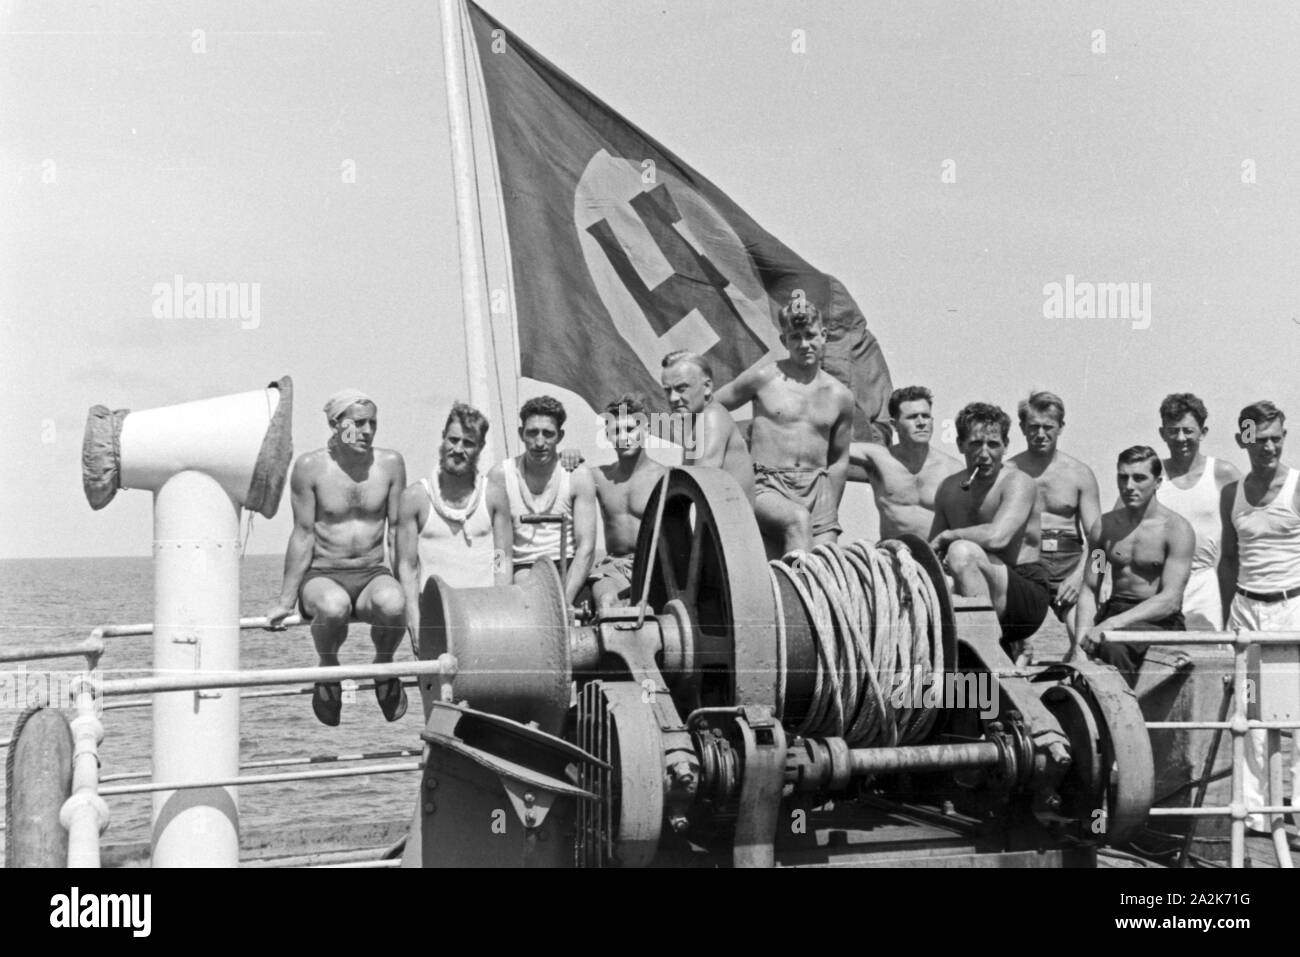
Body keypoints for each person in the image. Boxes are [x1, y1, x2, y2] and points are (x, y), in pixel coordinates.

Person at [264, 389, 408, 726]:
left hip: (373, 571)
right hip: (323, 574)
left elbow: (397, 531)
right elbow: (303, 533)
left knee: (393, 604)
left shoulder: (390, 464)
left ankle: (384, 667)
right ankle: (328, 668)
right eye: (358, 423)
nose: (367, 431)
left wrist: (407, 593)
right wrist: (285, 601)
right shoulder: (310, 467)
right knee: (333, 606)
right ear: (335, 424)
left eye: (372, 422)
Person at [715, 291, 855, 555]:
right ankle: (795, 595)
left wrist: (828, 511)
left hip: (818, 490)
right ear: (784, 340)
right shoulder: (764, 378)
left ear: (823, 335)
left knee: (826, 562)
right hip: (767, 485)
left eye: (810, 335)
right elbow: (712, 407)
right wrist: (731, 451)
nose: (804, 344)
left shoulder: (841, 397)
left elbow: (839, 460)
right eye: (795, 337)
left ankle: (802, 586)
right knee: (796, 520)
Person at [1220, 400, 1300, 835]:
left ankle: (1299, 813)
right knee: (1248, 712)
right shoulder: (1230, 494)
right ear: (1242, 440)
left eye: (1276, 437)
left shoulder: (1298, 487)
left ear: (1284, 437)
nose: (1268, 446)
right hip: (1246, 611)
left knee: (1299, 716)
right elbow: (1228, 560)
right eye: (1258, 438)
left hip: (1293, 608)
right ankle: (1253, 814)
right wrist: (1224, 620)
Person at [930, 402, 1046, 656]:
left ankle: (989, 653)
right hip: (974, 583)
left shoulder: (1018, 482)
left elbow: (998, 537)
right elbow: (932, 553)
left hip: (1025, 594)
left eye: (993, 445)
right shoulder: (948, 488)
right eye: (975, 444)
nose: (984, 454)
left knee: (962, 551)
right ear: (960, 444)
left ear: (1005, 445)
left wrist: (951, 535)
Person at [1074, 447, 1193, 687]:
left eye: (1139, 478)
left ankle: (1122, 721)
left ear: (1157, 482)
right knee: (1082, 669)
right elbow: (1089, 588)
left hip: (1157, 619)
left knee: (1113, 646)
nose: (1129, 485)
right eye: (1123, 477)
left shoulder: (1176, 529)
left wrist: (1112, 625)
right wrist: (1078, 647)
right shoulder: (1105, 527)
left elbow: (1170, 599)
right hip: (1115, 609)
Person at [395, 402, 495, 654]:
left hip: (487, 619)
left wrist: (501, 608)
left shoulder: (494, 495)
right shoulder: (415, 497)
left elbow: (502, 558)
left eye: (469, 443)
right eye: (453, 439)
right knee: (442, 693)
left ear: (480, 447)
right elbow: (406, 566)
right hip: (436, 618)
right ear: (443, 439)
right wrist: (414, 619)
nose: (458, 449)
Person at [486, 395, 597, 607]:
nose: (539, 442)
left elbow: (586, 548)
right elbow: (499, 551)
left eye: (548, 434)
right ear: (521, 434)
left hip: (567, 568)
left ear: (560, 436)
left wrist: (562, 602)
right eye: (532, 433)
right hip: (521, 567)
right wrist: (502, 594)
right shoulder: (500, 476)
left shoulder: (577, 475)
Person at [1006, 390, 1102, 637]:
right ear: (1022, 427)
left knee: (1084, 641)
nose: (1040, 434)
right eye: (1033, 426)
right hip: (1024, 560)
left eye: (1048, 427)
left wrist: (1085, 577)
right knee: (1010, 639)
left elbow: (1100, 541)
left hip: (1069, 561)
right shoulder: (1008, 472)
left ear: (1061, 427)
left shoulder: (1080, 473)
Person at [1153, 393, 1240, 630]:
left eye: (1188, 431)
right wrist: (1101, 577)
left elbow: (1250, 531)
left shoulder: (1223, 474)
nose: (1181, 438)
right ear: (1162, 433)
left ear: (1203, 432)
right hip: (1158, 585)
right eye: (1173, 430)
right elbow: (1108, 533)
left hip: (1205, 585)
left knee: (1211, 659)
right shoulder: (1150, 474)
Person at [850, 385, 962, 539]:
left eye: (926, 416)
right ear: (894, 424)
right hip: (893, 555)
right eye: (912, 417)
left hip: (938, 556)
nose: (921, 422)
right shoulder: (878, 459)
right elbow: (822, 449)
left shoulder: (952, 469)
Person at [588, 395, 668, 610]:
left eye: (630, 429)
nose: (624, 437)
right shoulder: (598, 477)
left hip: (656, 568)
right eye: (616, 432)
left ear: (646, 430)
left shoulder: (666, 476)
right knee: (606, 603)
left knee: (649, 613)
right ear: (607, 436)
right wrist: (569, 457)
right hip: (614, 567)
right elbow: (561, 477)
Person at [660, 350, 755, 503]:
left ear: (707, 386)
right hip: (719, 522)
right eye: (667, 390)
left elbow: (702, 482)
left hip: (731, 524)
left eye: (681, 388)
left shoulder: (712, 417)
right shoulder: (696, 420)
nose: (673, 398)